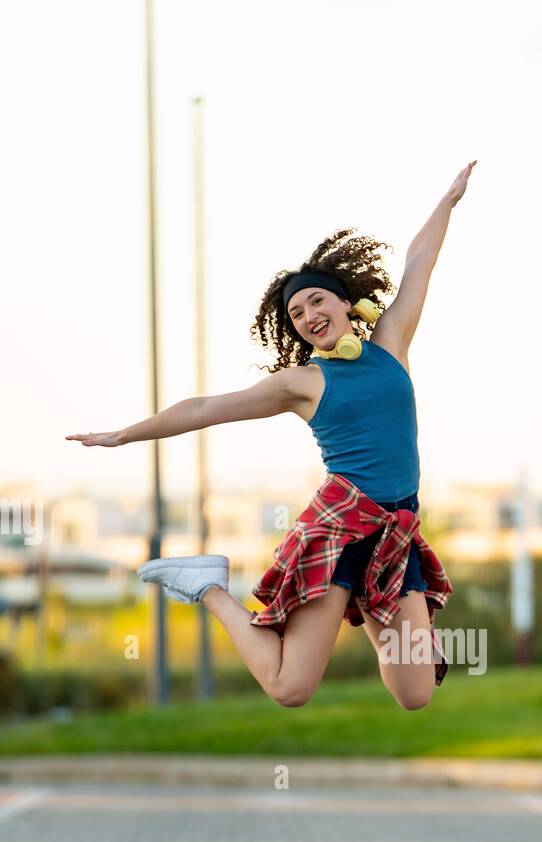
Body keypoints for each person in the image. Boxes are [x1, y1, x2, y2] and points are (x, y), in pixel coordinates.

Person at [66, 161, 477, 709]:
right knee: (290, 687)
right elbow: (206, 408)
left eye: (317, 301)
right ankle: (208, 586)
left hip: (396, 530)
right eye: (297, 313)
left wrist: (447, 200)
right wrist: (125, 434)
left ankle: (374, 604)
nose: (309, 314)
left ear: (343, 302)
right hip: (340, 528)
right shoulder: (303, 382)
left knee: (415, 692)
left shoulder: (390, 343)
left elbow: (419, 261)